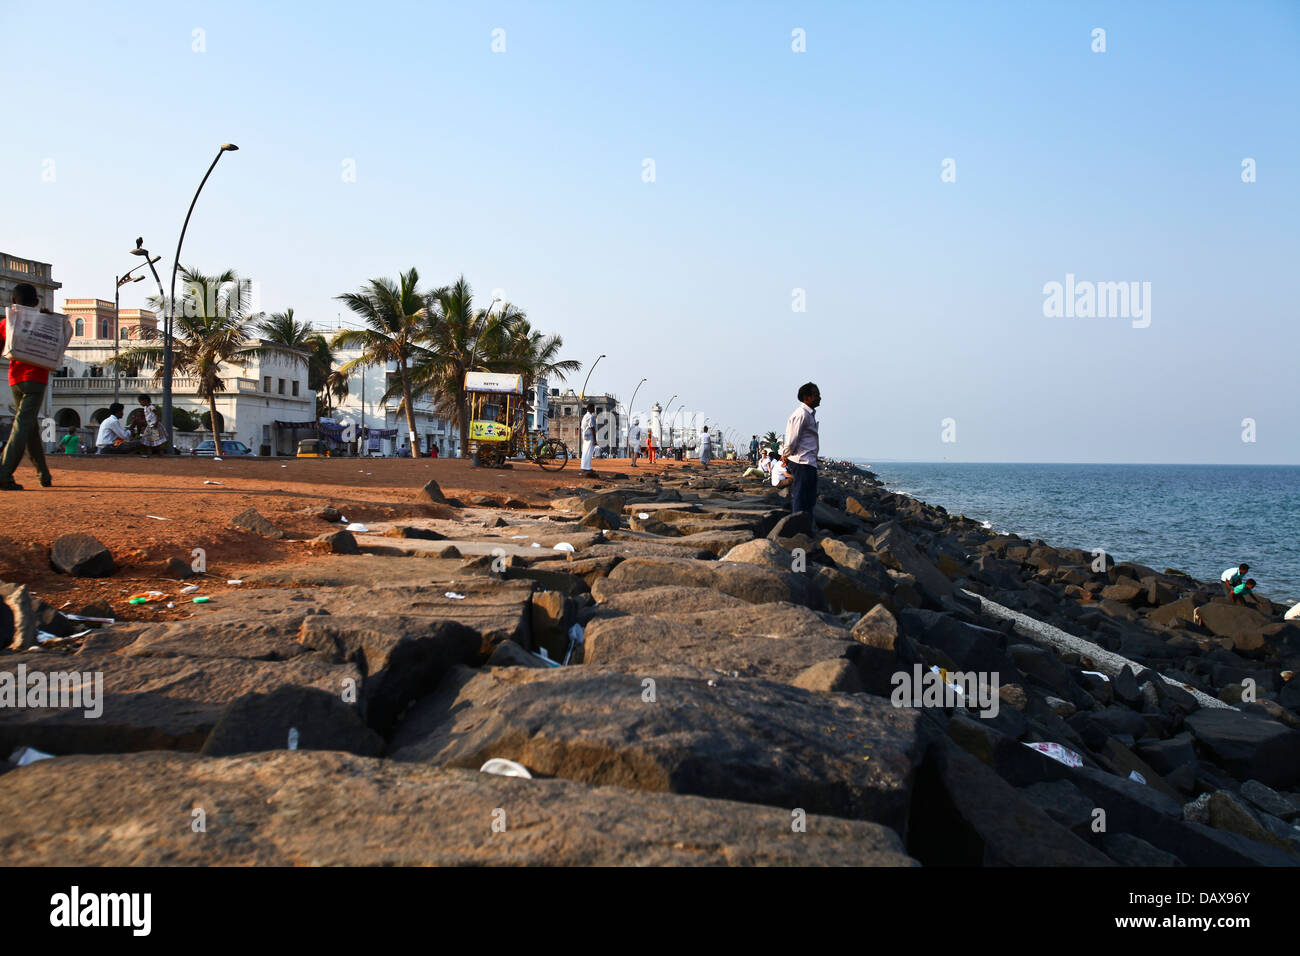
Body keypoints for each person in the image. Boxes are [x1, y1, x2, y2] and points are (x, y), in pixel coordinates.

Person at [0, 284, 59, 490]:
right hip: (37, 379)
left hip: (15, 379)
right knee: (23, 425)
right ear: (36, 302)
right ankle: (4, 473)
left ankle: (44, 474)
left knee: (29, 426)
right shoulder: (48, 321)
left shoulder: (7, 322)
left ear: (14, 301)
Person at [781, 382, 821, 521]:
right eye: (816, 395)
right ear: (806, 397)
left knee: (809, 500)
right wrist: (785, 456)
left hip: (809, 462)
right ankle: (798, 529)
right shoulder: (801, 414)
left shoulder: (808, 415)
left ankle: (806, 530)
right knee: (801, 497)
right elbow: (792, 440)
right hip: (802, 462)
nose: (820, 398)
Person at [579, 402, 596, 474]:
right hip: (589, 436)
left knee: (585, 451)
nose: (594, 409)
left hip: (585, 435)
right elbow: (592, 428)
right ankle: (587, 467)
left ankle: (584, 466)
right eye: (593, 408)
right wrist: (595, 439)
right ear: (590, 408)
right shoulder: (590, 417)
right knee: (589, 452)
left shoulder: (585, 416)